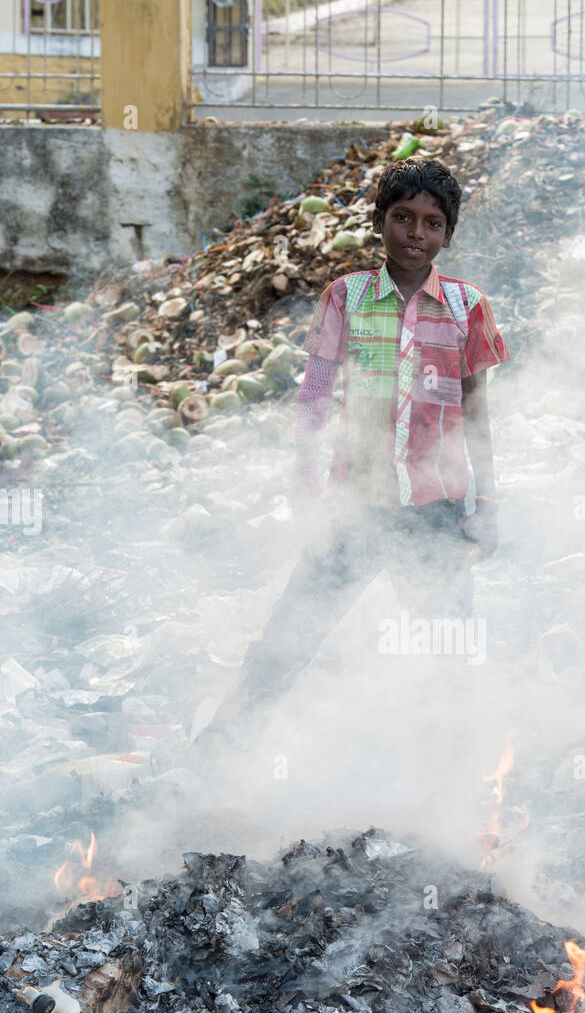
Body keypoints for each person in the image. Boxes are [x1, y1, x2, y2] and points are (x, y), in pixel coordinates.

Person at [199, 157, 509, 741]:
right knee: (285, 642)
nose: (417, 234)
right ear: (378, 221)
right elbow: (315, 397)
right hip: (353, 509)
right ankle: (215, 763)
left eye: (433, 222)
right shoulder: (347, 297)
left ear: (449, 233)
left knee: (449, 656)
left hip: (435, 514)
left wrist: (487, 496)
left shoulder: (468, 307)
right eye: (403, 217)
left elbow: (476, 412)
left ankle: (453, 790)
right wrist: (306, 488)